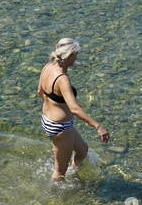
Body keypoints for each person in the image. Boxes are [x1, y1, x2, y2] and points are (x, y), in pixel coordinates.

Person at [38, 37, 110, 181]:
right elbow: (75, 109)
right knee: (59, 173)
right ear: (70, 56)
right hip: (60, 127)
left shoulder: (48, 67)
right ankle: (55, 198)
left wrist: (57, 105)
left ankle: (75, 176)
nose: (76, 59)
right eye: (75, 55)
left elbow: (39, 91)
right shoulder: (62, 79)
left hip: (49, 120)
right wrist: (98, 126)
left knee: (83, 151)